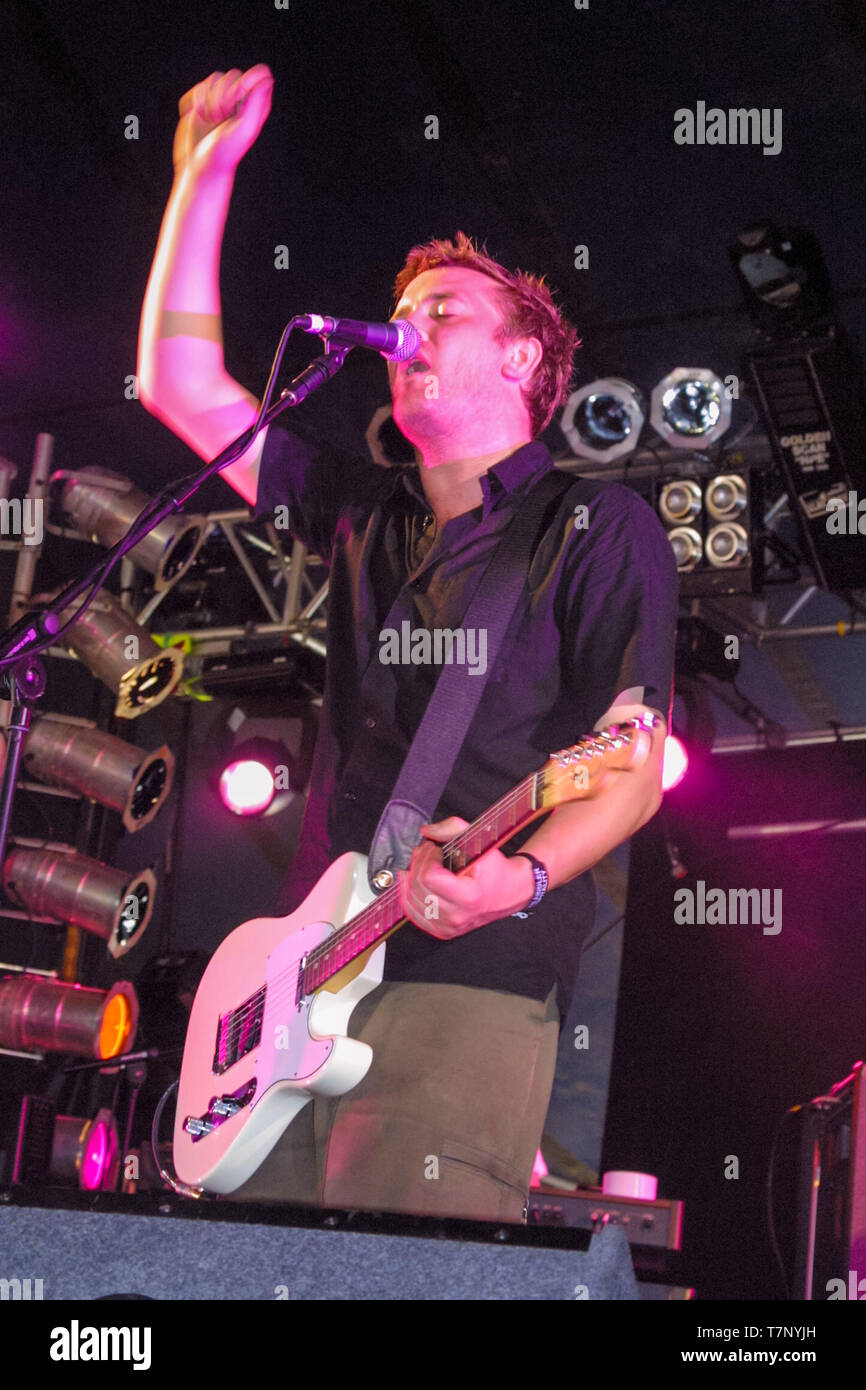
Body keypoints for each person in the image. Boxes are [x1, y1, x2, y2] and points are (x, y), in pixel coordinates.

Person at [138, 64, 679, 1221]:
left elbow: (629, 765)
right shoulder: (359, 514)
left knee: (390, 1272)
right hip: (300, 972)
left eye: (445, 312)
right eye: (405, 315)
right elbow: (181, 384)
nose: (408, 331)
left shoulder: (592, 527)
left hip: (466, 978)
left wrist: (519, 875)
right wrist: (201, 175)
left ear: (522, 360)